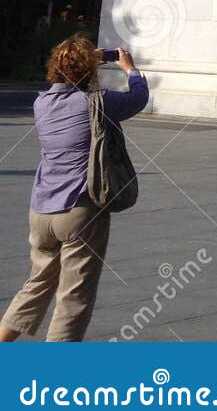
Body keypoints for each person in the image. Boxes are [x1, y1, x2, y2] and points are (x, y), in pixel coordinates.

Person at [0, 38, 148, 343]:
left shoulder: (41, 103)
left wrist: (79, 59)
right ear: (89, 69)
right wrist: (130, 68)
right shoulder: (97, 102)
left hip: (41, 210)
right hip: (79, 211)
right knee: (73, 298)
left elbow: (71, 79)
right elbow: (138, 98)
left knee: (36, 284)